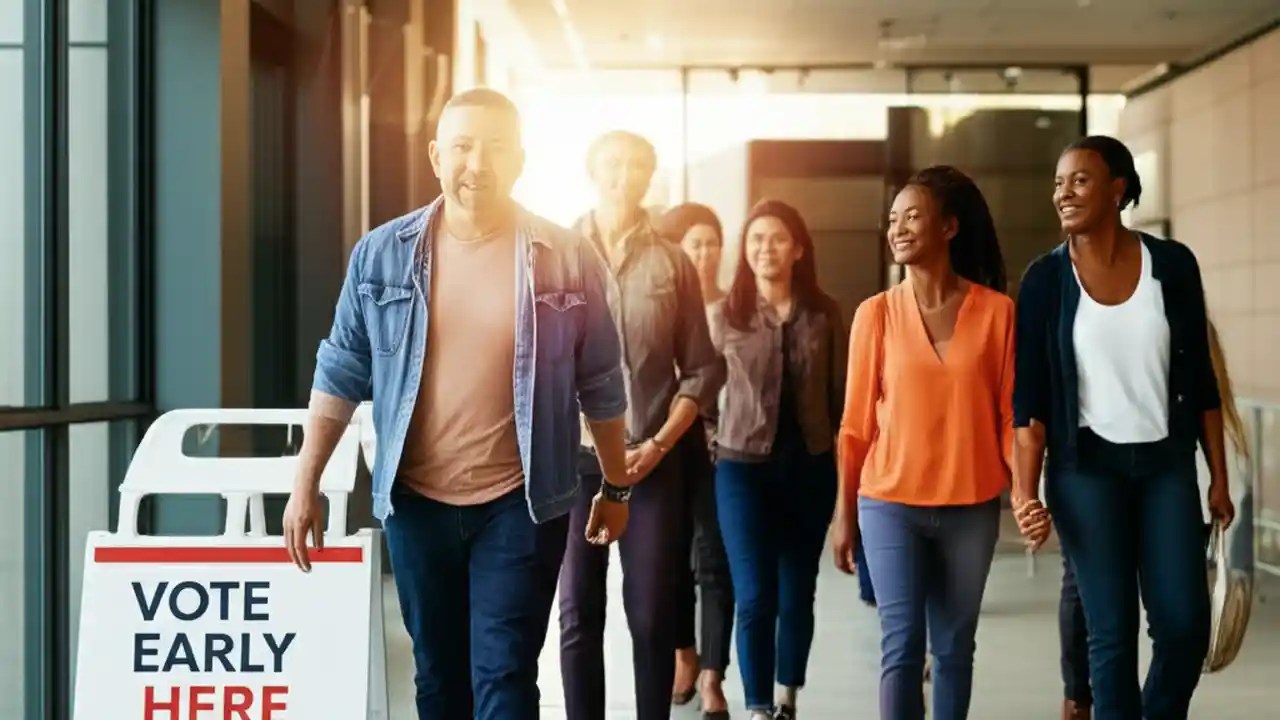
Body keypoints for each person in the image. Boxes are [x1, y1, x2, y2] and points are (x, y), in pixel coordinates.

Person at [282, 88, 634, 720]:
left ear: (522, 159)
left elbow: (602, 382)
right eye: (464, 146)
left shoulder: (566, 258)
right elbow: (340, 369)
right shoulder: (382, 255)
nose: (480, 163)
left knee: (503, 676)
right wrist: (304, 482)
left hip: (521, 504)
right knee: (439, 680)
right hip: (416, 506)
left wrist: (618, 486)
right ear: (436, 157)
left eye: (497, 147)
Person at [1012, 135, 1235, 720]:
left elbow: (1203, 382)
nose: (1064, 193)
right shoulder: (1043, 281)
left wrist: (1218, 477)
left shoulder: (1173, 265)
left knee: (1184, 625)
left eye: (1079, 180)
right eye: (1058, 183)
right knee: (1109, 635)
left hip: (1165, 467)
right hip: (1085, 472)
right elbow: (1028, 405)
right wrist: (1023, 492)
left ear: (1118, 189)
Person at [832, 166, 1013, 720]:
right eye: (893, 219)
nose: (899, 228)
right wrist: (844, 515)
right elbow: (855, 426)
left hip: (971, 506)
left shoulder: (998, 312)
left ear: (949, 227)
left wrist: (1028, 493)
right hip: (889, 504)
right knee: (902, 646)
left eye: (913, 216)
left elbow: (1009, 417)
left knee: (955, 649)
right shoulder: (876, 314)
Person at [558, 130, 726, 720]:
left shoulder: (672, 262)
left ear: (649, 177)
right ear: (591, 170)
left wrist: (657, 445)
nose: (622, 174)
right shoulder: (554, 254)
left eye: (634, 165)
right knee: (578, 610)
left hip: (648, 461)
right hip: (575, 464)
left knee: (652, 612)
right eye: (611, 163)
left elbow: (702, 369)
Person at [1053, 321, 1247, 720]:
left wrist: (1220, 486)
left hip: (1172, 489)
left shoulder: (1184, 325)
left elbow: (1215, 411)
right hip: (1096, 486)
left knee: (1179, 629)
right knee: (1101, 619)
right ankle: (1078, 697)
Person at [708, 199, 845, 720]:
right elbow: (700, 391)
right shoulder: (724, 314)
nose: (766, 248)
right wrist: (712, 444)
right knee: (756, 592)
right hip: (742, 470)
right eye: (756, 239)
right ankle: (759, 708)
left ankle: (788, 696)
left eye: (778, 238)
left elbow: (840, 395)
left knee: (797, 591)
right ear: (746, 251)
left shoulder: (824, 312)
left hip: (809, 467)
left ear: (799, 248)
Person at [657, 202, 734, 717]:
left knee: (715, 563)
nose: (704, 254)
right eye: (694, 244)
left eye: (711, 243)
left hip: (730, 454)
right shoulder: (663, 309)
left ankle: (713, 676)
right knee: (672, 563)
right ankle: (684, 653)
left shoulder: (737, 307)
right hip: (674, 450)